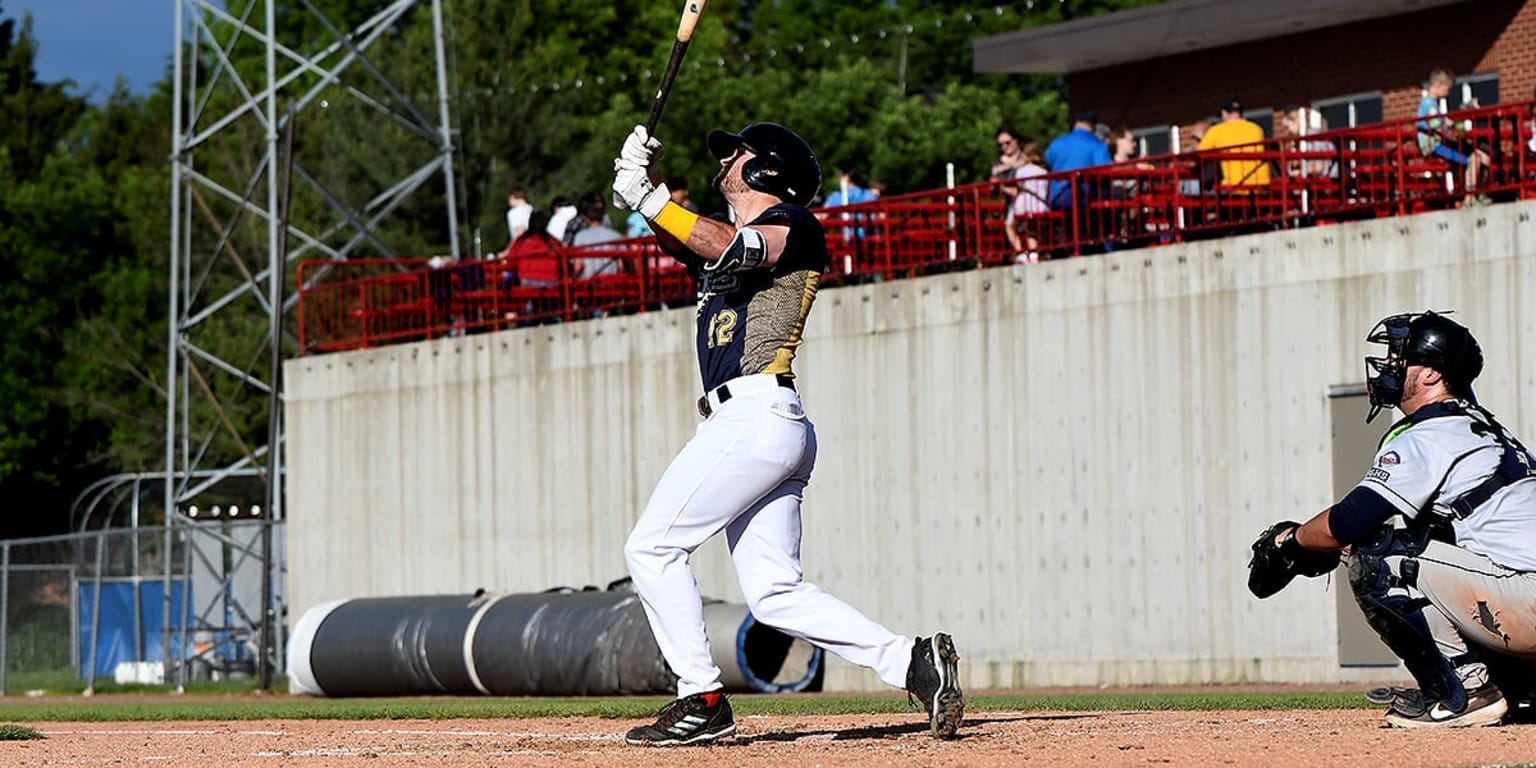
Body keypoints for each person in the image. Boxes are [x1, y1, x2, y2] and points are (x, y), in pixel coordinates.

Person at [609, 121, 965, 746]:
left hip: (754, 416)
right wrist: (642, 188)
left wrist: (649, 198)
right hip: (761, 422)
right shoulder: (728, 235)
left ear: (767, 170)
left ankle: (702, 696)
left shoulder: (795, 222)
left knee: (651, 548)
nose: (726, 161)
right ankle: (912, 660)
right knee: (775, 594)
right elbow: (695, 242)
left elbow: (735, 248)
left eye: (737, 155)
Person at [1246, 311, 1536, 729]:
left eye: (1400, 358)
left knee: (1378, 555)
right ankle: (1520, 691)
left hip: (1524, 603)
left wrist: (1291, 541)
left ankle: (1463, 693)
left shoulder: (1433, 431)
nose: (1388, 366)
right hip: (1521, 598)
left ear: (1432, 375)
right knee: (1426, 542)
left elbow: (1349, 521)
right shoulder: (1485, 428)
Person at [1418, 68, 1492, 206]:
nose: (1448, 92)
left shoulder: (1432, 105)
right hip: (1435, 145)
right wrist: (1455, 136)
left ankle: (1480, 193)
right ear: (1439, 85)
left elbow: (1444, 122)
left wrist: (1457, 125)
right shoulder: (1429, 106)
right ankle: (1469, 199)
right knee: (1474, 159)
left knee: (1485, 157)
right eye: (1447, 88)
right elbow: (1438, 128)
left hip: (1441, 142)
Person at [1197, 97, 1271, 189]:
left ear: (1224, 113)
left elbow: (1199, 154)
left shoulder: (1216, 130)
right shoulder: (1257, 128)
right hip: (1262, 184)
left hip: (1236, 186)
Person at [1005, 139, 1049, 261]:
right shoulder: (1044, 171)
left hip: (1025, 206)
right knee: (1035, 229)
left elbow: (1018, 188)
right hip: (1041, 205)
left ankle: (1020, 251)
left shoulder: (1021, 171)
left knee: (1010, 225)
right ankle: (1037, 252)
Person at [569, 192, 625, 278]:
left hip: (589, 285)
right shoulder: (615, 235)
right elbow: (620, 266)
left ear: (587, 218)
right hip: (612, 283)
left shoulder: (580, 236)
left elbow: (578, 267)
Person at [627, 179, 695, 238]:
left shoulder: (693, 212)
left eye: (676, 190)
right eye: (671, 191)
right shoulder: (673, 209)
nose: (673, 194)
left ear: (686, 192)